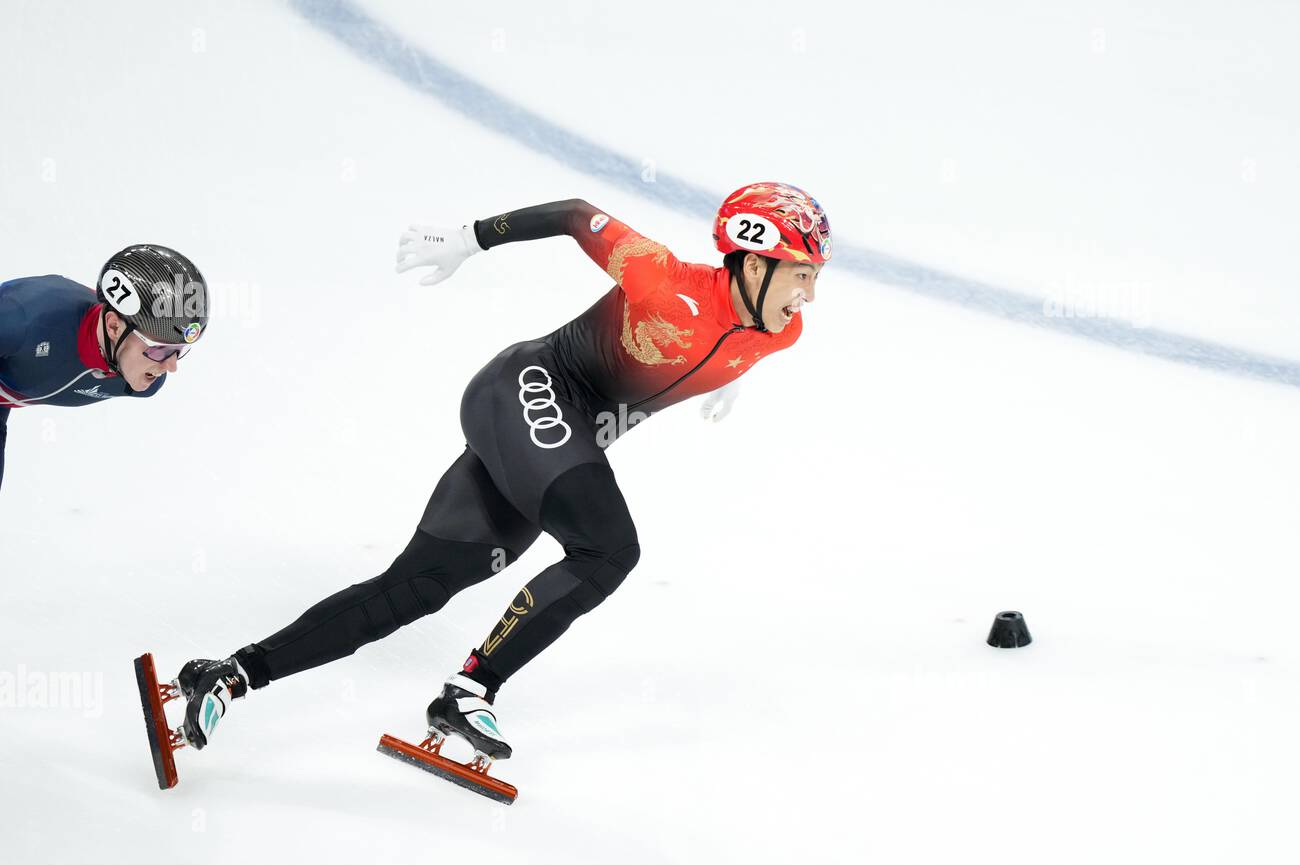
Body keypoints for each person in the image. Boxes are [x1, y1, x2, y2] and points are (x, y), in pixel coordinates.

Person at [177, 183, 830, 770]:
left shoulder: (780, 332)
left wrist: (731, 378)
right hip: (530, 391)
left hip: (551, 440)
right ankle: (471, 690)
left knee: (417, 588)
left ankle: (228, 674)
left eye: (814, 277)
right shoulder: (663, 279)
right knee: (608, 549)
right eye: (800, 274)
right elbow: (577, 216)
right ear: (751, 263)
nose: (808, 294)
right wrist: (469, 239)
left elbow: (723, 348)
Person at [0, 245, 209, 490]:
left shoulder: (143, 377)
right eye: (160, 349)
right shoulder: (21, 321)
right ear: (113, 327)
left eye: (179, 351)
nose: (171, 366)